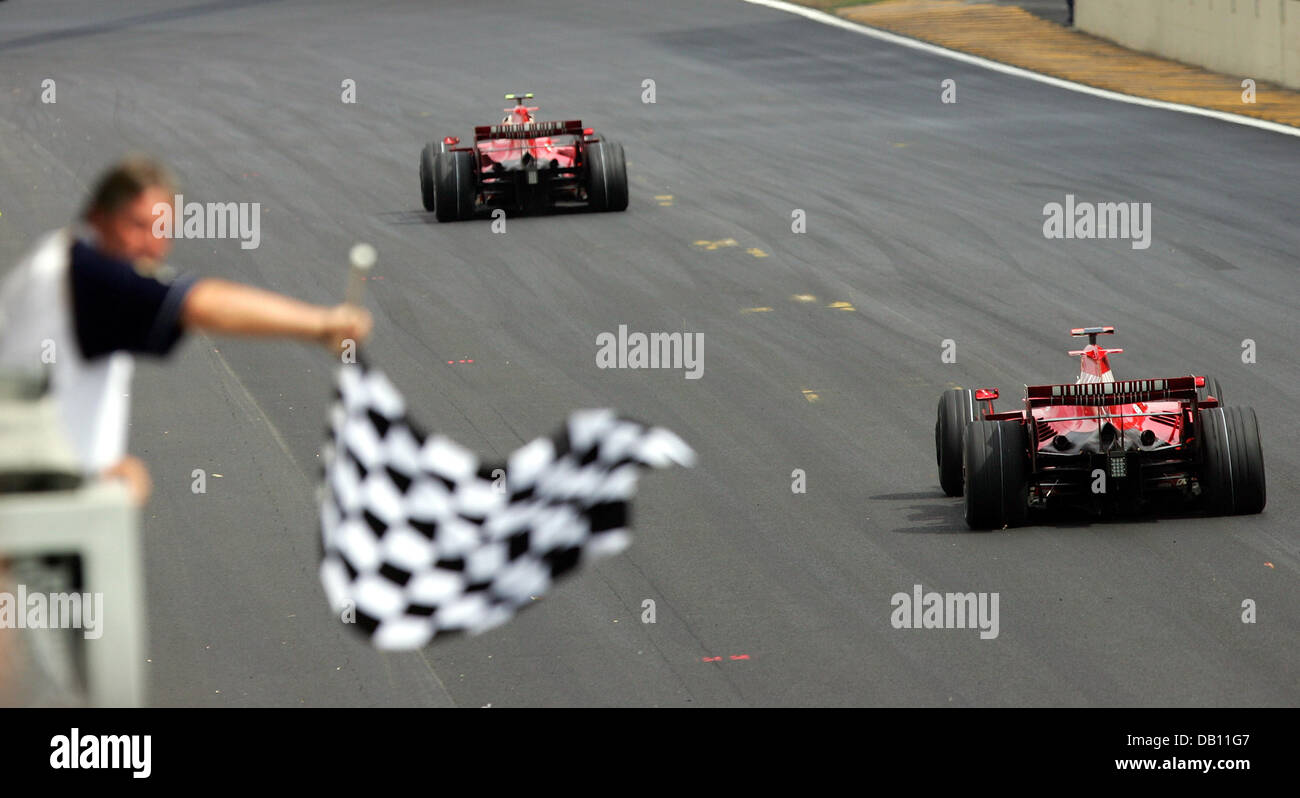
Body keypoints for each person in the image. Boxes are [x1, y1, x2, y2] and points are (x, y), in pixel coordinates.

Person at [0, 156, 373, 505]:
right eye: (137, 225)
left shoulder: (60, 262)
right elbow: (196, 303)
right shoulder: (87, 273)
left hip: (39, 487)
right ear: (99, 217)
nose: (151, 243)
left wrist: (97, 464)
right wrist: (321, 325)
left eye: (162, 228)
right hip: (27, 503)